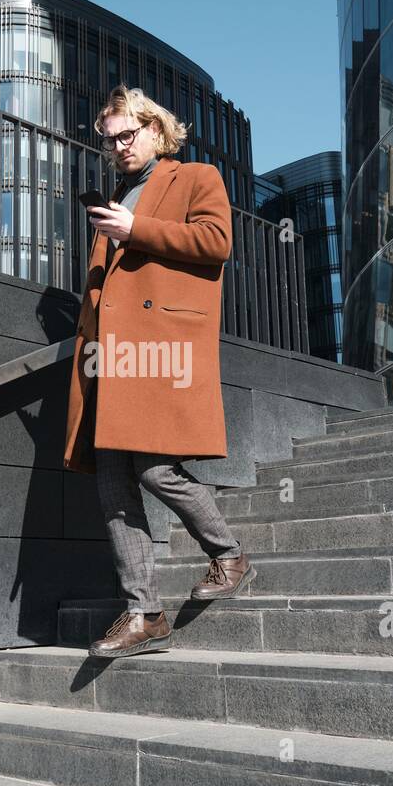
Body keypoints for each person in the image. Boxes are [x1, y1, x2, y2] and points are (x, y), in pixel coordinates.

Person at [62, 85, 254, 659]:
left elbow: (216, 243)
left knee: (153, 469)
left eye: (128, 134)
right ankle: (144, 612)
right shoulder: (120, 196)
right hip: (113, 357)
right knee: (112, 484)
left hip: (159, 348)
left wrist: (134, 229)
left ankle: (229, 554)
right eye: (111, 140)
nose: (119, 147)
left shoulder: (196, 178)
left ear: (155, 129)